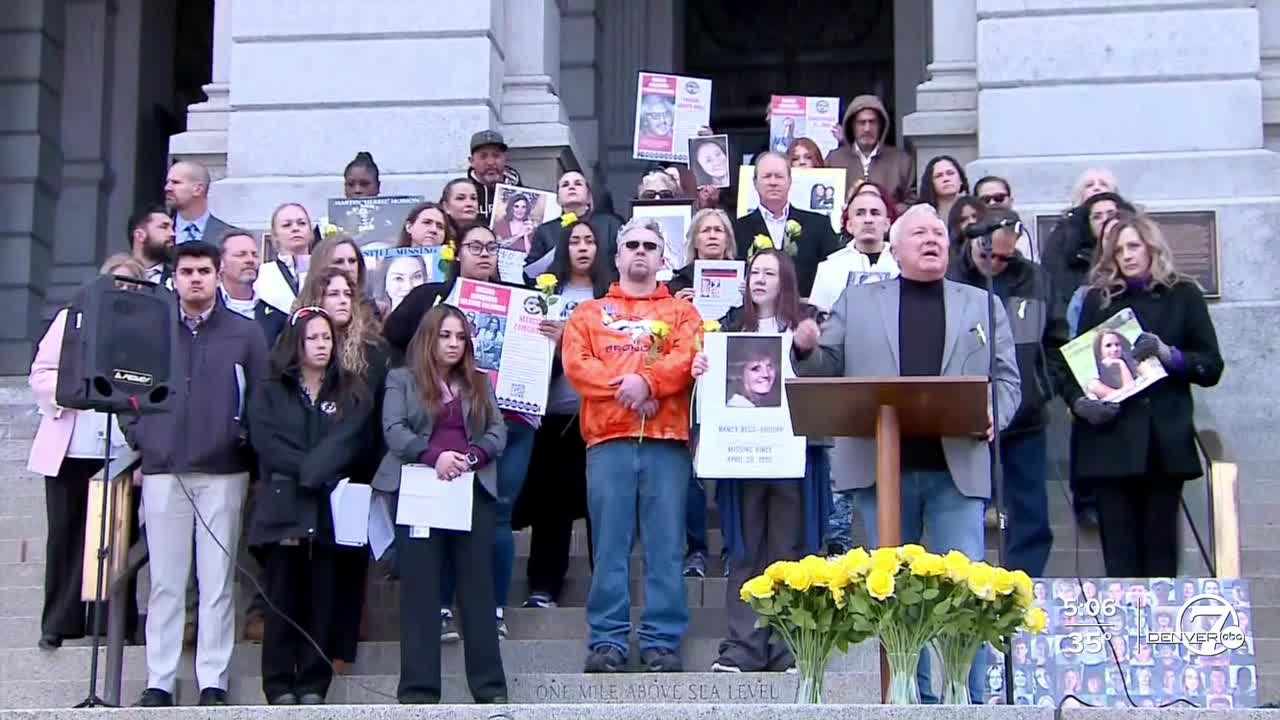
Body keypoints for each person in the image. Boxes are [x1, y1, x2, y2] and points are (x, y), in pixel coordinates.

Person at [792, 203, 1020, 702]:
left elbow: (1007, 380)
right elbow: (825, 371)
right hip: (883, 472)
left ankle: (972, 699)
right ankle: (910, 701)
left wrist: (993, 413)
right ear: (894, 249)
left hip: (956, 470)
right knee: (895, 597)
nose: (932, 239)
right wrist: (806, 348)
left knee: (968, 591)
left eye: (939, 232)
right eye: (919, 232)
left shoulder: (981, 304)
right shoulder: (857, 302)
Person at [130, 241, 270, 707]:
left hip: (224, 471)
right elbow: (126, 394)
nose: (195, 278)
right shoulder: (151, 332)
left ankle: (214, 680)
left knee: (216, 582)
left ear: (217, 275)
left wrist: (240, 439)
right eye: (186, 271)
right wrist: (145, 438)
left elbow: (261, 399)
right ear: (173, 278)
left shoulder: (245, 333)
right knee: (167, 583)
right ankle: (160, 681)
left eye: (204, 271)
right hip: (163, 469)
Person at [382, 224, 536, 641]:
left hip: (506, 421)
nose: (484, 254)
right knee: (439, 523)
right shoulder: (432, 295)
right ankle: (443, 607)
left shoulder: (527, 301)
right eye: (475, 246)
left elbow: (548, 367)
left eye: (492, 247)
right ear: (457, 252)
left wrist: (548, 344)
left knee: (498, 514)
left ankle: (494, 608)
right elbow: (392, 335)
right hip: (437, 427)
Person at [562, 217, 701, 673]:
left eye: (650, 246)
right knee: (609, 547)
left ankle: (662, 641)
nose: (640, 252)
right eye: (632, 245)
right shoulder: (586, 314)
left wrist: (648, 382)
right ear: (618, 256)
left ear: (663, 259)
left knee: (666, 547)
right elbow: (577, 366)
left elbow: (687, 357)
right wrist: (629, 386)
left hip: (667, 442)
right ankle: (607, 641)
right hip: (607, 439)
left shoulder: (683, 313)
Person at [1052, 214, 1223, 577]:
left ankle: (1158, 633)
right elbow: (1073, 367)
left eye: (1134, 246)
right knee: (1120, 564)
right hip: (1111, 446)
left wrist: (1169, 354)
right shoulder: (1099, 300)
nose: (1127, 256)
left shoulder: (1184, 295)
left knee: (1161, 560)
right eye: (1117, 251)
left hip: (1163, 446)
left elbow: (1211, 364)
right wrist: (1079, 404)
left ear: (1152, 247)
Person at [691, 249, 830, 671]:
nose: (760, 279)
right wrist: (702, 368)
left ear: (785, 280)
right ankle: (744, 648)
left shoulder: (810, 321)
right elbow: (713, 387)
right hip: (742, 458)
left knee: (790, 549)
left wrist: (808, 349)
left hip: (794, 454)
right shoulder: (729, 325)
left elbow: (828, 373)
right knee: (746, 549)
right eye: (754, 272)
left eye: (770, 272)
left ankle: (790, 648)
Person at [374, 304, 509, 704]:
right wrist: (434, 456)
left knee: (477, 591)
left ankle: (489, 689)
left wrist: (472, 456)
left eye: (460, 337)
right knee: (420, 590)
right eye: (446, 336)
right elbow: (393, 430)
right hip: (419, 489)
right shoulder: (401, 379)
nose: (453, 344)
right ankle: (418, 691)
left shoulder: (480, 382)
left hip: (471, 491)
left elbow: (499, 431)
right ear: (429, 339)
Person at [247, 306, 372, 705]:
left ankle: (315, 683)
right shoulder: (270, 389)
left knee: (324, 599)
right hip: (284, 505)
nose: (321, 345)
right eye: (313, 338)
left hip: (331, 507)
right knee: (282, 597)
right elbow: (266, 442)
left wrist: (315, 470)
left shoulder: (351, 388)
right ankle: (280, 683)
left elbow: (351, 440)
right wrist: (309, 469)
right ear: (296, 342)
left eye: (327, 338)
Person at [28, 254, 144, 651]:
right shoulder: (72, 320)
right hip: (71, 443)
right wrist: (72, 390)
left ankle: (110, 622)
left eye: (130, 283)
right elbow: (41, 373)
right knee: (66, 531)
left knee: (116, 536)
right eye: (116, 282)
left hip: (120, 446)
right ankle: (59, 622)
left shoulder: (147, 330)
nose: (121, 290)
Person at [948, 209, 1067, 577]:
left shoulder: (1035, 280)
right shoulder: (951, 279)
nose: (996, 263)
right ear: (974, 243)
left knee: (1030, 509)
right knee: (961, 507)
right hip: (965, 417)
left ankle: (1023, 584)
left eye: (1005, 256)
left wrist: (1044, 386)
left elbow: (1057, 340)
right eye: (989, 256)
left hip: (1026, 414)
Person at [513, 219, 613, 608]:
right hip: (553, 414)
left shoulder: (611, 296)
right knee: (549, 504)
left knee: (599, 504)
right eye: (575, 241)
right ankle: (542, 585)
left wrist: (570, 339)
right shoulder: (541, 294)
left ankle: (603, 587)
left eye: (590, 240)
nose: (583, 247)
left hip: (599, 415)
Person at [295, 267, 390, 671]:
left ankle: (341, 648)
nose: (339, 300)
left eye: (346, 293)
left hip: (357, 470)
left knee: (349, 562)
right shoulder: (294, 346)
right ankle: (303, 646)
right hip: (304, 472)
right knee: (303, 566)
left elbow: (378, 413)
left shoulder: (373, 350)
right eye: (330, 292)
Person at [733, 152, 840, 298]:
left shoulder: (819, 225)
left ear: (790, 181)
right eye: (767, 176)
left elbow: (834, 272)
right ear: (755, 183)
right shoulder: (737, 228)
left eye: (779, 176)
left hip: (806, 314)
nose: (773, 182)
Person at [809, 183, 901, 312]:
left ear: (887, 224)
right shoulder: (829, 268)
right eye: (860, 213)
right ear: (849, 225)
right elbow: (819, 319)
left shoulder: (904, 264)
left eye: (875, 213)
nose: (868, 220)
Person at [823, 95, 914, 213]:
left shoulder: (901, 160)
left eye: (873, 122)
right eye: (861, 123)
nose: (867, 128)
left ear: (881, 125)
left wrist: (885, 210)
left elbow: (913, 202)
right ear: (852, 126)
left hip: (889, 228)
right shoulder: (834, 159)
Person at [525, 170, 625, 266]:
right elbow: (530, 272)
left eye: (578, 184)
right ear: (558, 199)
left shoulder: (611, 225)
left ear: (589, 196)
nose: (571, 187)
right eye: (565, 185)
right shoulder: (545, 231)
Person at [219, 230, 287, 348]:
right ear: (220, 263)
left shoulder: (277, 317)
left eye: (255, 255)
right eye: (241, 254)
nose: (250, 260)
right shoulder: (204, 308)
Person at [255, 202, 315, 313]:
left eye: (301, 223)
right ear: (275, 235)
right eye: (287, 225)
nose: (295, 228)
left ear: (311, 232)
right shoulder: (262, 274)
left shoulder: (324, 269)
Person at [667, 208, 737, 299]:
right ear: (695, 241)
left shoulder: (745, 279)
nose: (712, 236)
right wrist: (674, 306)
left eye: (718, 230)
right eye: (705, 230)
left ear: (727, 240)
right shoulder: (677, 284)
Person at [166, 160, 231, 245]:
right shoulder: (158, 232)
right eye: (167, 182)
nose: (167, 188)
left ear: (198, 189)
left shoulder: (230, 236)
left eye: (176, 182)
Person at [467, 130, 522, 224]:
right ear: (471, 161)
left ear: (505, 158)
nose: (491, 162)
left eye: (496, 155)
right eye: (483, 156)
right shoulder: (460, 196)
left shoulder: (522, 195)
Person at [128, 204, 176, 287]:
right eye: (164, 227)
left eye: (172, 228)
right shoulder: (117, 275)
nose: (173, 234)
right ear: (140, 236)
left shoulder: (178, 279)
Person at [919, 155, 970, 226]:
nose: (946, 179)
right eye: (939, 176)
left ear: (961, 179)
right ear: (931, 183)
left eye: (950, 173)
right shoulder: (920, 214)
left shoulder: (974, 208)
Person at [1087, 331, 1139, 399]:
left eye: (1117, 344)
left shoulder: (1135, 365)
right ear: (1099, 352)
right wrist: (1121, 363)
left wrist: (1121, 363)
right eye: (1108, 345)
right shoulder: (1095, 384)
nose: (1115, 349)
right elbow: (1129, 394)